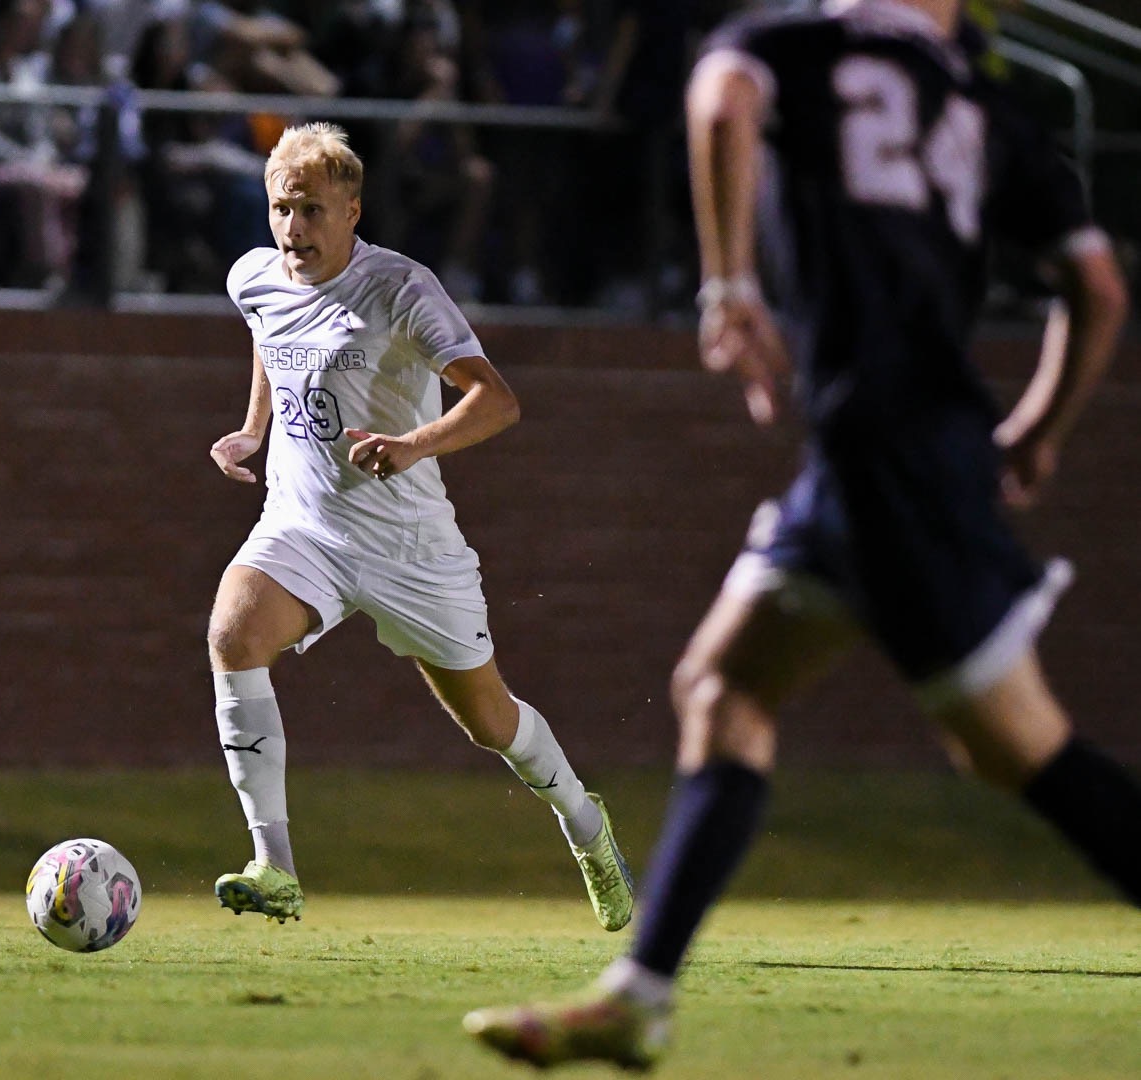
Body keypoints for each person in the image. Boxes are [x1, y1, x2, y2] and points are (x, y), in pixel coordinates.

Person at [464, 0, 1139, 1069]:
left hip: (891, 458)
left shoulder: (803, 43)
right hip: (895, 453)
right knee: (725, 690)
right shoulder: (990, 106)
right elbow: (1096, 289)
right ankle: (641, 994)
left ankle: (641, 992)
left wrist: (729, 283)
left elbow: (721, 96)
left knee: (1018, 746)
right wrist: (1039, 431)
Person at [206, 121, 634, 932]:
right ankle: (276, 866)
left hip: (410, 549)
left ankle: (585, 822)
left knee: (490, 722)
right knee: (232, 634)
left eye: (311, 211)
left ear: (354, 211)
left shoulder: (401, 289)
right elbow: (270, 337)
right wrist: (254, 430)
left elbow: (496, 400)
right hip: (303, 526)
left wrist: (411, 446)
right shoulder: (254, 277)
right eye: (280, 209)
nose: (292, 229)